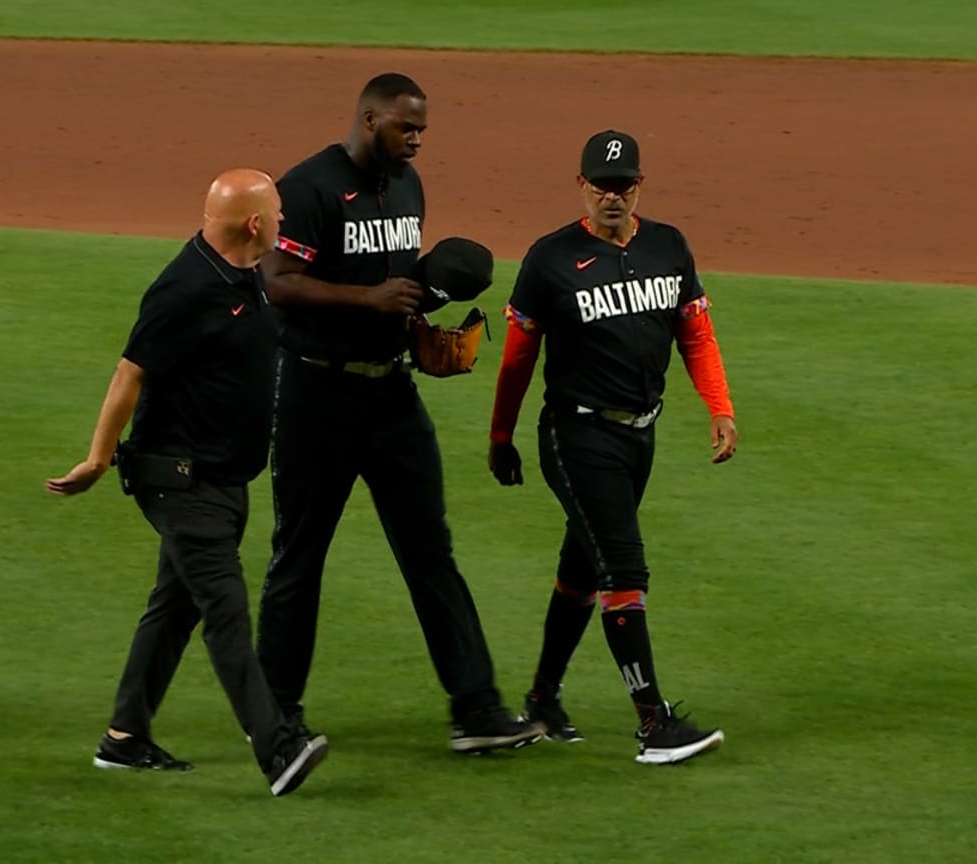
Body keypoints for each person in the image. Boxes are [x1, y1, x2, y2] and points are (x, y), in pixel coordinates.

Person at [255, 72, 542, 752]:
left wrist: (422, 304)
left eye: (422, 130)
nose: (415, 140)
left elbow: (395, 280)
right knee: (299, 555)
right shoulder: (309, 188)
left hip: (391, 396)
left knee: (429, 551)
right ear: (368, 118)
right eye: (405, 127)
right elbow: (277, 284)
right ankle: (275, 719)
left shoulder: (407, 186)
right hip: (315, 397)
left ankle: (475, 708)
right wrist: (369, 302)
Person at [46, 168, 328, 796]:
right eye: (277, 212)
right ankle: (277, 748)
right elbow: (129, 374)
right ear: (255, 223)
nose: (284, 221)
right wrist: (98, 459)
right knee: (224, 611)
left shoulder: (243, 273)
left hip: (220, 479)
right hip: (180, 482)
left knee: (173, 608)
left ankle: (124, 737)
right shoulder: (185, 288)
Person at [487, 130, 740, 765]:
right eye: (601, 185)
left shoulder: (667, 246)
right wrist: (501, 434)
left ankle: (543, 700)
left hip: (640, 435)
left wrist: (720, 407)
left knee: (581, 566)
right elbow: (518, 359)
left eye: (623, 184)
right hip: (576, 435)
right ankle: (653, 724)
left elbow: (695, 333)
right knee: (623, 570)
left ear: (639, 187)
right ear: (581, 186)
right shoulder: (550, 259)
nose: (612, 195)